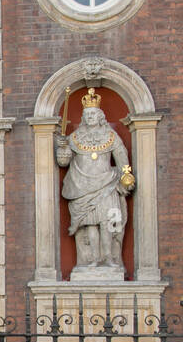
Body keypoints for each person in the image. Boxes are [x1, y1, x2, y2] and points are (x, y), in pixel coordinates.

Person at [55, 90, 134, 276]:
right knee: (90, 224)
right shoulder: (74, 138)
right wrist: (63, 150)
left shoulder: (111, 136)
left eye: (93, 114)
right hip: (81, 187)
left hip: (107, 184)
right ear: (83, 117)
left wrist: (126, 176)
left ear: (100, 116)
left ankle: (108, 257)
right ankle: (93, 259)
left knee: (107, 223)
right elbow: (63, 162)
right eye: (87, 115)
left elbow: (122, 157)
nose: (90, 117)